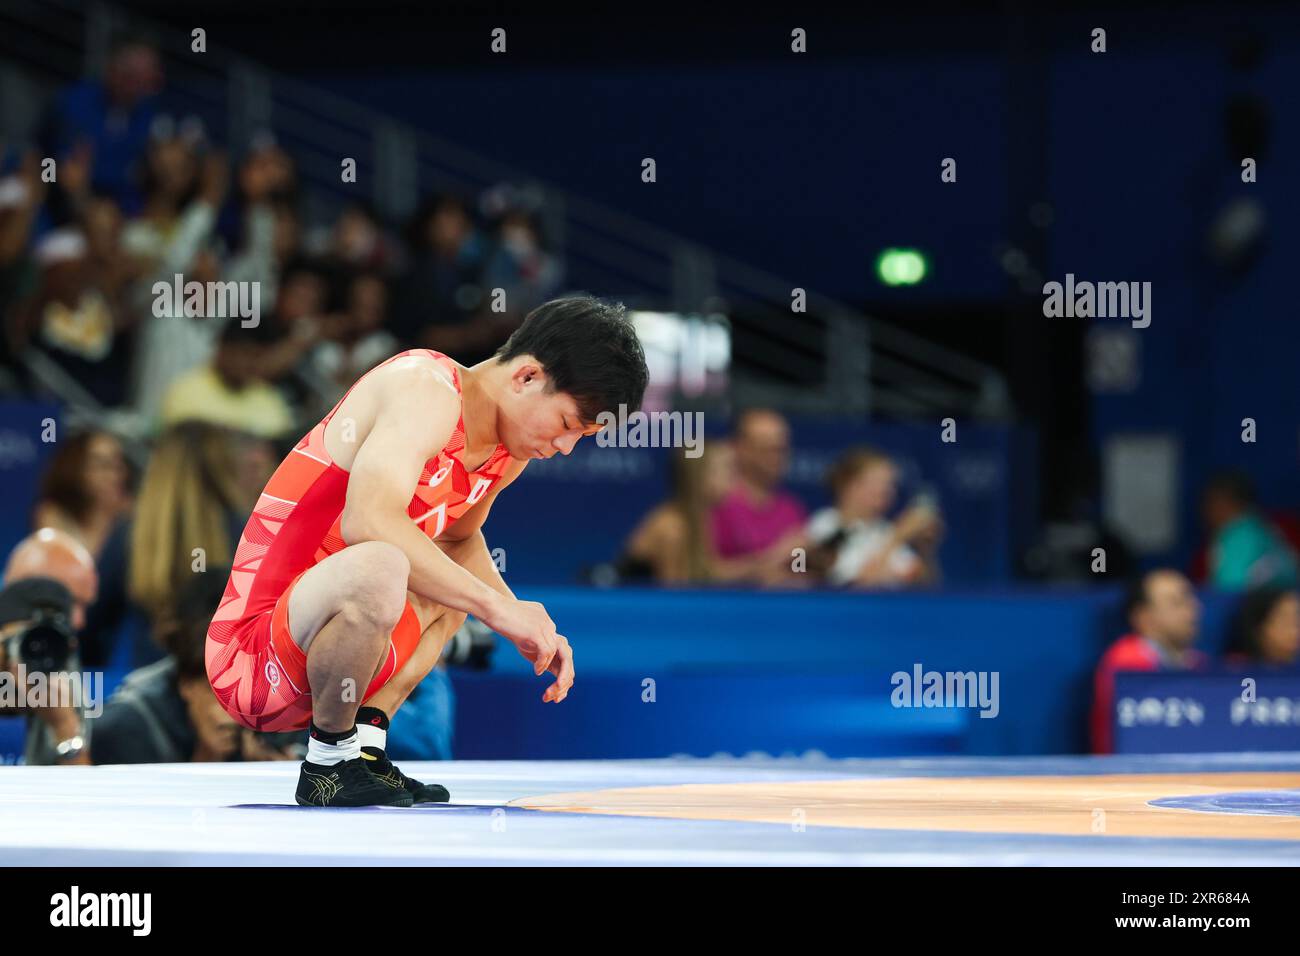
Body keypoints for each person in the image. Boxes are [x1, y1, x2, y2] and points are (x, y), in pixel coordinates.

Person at [206, 294, 648, 806]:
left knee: (449, 582)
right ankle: (327, 765)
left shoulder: (507, 453)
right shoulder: (425, 385)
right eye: (569, 424)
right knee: (384, 562)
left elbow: (457, 541)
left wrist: (526, 620)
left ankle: (364, 748)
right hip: (250, 660)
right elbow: (367, 521)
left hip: (322, 662)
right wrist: (497, 609)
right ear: (527, 377)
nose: (565, 448)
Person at [93, 567, 298, 764]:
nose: (243, 706)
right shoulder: (128, 725)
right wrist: (207, 757)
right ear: (187, 685)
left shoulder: (289, 704)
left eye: (253, 685)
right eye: (221, 689)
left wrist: (278, 773)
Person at [0, 528, 99, 766]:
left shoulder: (60, 674)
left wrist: (65, 727)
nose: (79, 622)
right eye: (71, 602)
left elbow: (82, 798)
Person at [1090, 570, 1208, 754]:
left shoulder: (1199, 662)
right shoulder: (1126, 661)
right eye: (1177, 602)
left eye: (1191, 599)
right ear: (1143, 617)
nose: (1193, 609)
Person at [805, 447, 942, 588]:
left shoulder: (883, 529)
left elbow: (924, 583)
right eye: (881, 483)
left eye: (891, 485)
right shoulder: (825, 525)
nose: (889, 491)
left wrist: (925, 550)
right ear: (851, 485)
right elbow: (858, 585)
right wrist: (899, 535)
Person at [709, 409, 808, 585]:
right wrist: (770, 560)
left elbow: (799, 569)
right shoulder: (715, 504)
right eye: (768, 449)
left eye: (782, 449)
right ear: (740, 448)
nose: (778, 458)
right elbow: (699, 572)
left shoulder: (792, 509)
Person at [160, 321, 295, 439]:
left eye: (256, 356)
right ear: (222, 350)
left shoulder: (270, 399)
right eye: (243, 353)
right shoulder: (185, 391)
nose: (248, 363)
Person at [31, 428, 132, 561]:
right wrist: (103, 516)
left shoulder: (130, 515)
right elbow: (78, 567)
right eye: (103, 465)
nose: (115, 476)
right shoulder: (54, 514)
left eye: (119, 465)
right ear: (76, 468)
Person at [1201, 470, 1298, 590]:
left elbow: (1228, 592)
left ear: (1224, 502)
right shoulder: (1258, 527)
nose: (1205, 511)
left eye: (1210, 502)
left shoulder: (1239, 536)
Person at [1225, 585, 1300, 669]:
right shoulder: (1235, 670)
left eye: (1297, 619)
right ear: (1260, 626)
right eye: (1287, 621)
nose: (1296, 629)